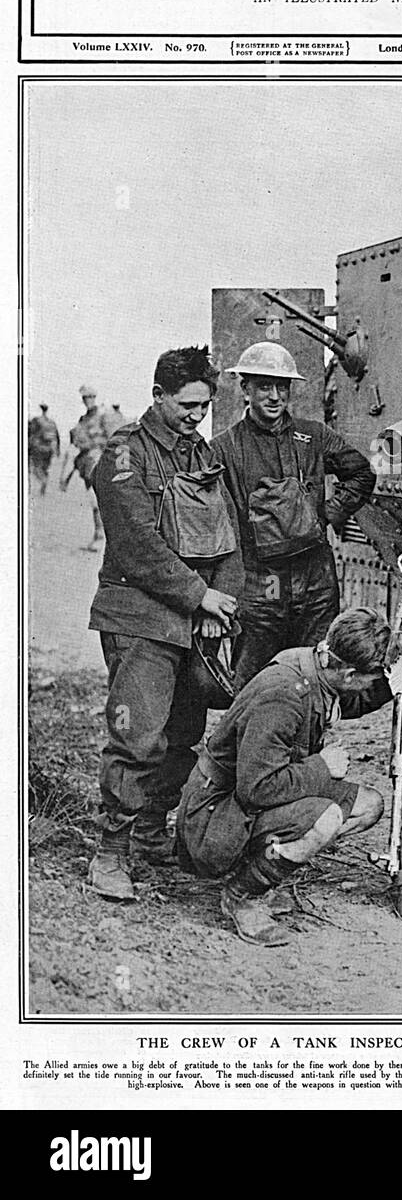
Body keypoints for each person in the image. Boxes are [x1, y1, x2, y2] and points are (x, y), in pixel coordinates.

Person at [86, 345, 244, 902]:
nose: (196, 416)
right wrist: (200, 596)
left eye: (203, 406)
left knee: (184, 733)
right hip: (139, 617)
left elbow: (225, 535)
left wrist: (222, 604)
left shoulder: (200, 453)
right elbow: (135, 546)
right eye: (186, 406)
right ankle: (110, 852)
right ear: (158, 396)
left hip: (192, 620)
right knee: (139, 737)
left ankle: (150, 831)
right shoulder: (123, 452)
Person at [176, 607, 390, 946]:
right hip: (214, 818)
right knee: (327, 818)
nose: (372, 686)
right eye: (373, 679)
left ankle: (264, 867)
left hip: (243, 801)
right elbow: (256, 789)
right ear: (349, 675)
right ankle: (242, 894)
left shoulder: (315, 665)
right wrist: (322, 767)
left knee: (368, 805)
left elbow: (352, 702)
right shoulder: (284, 695)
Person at [212, 341, 376, 692]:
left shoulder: (313, 436)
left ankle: (309, 748)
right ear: (245, 389)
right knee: (253, 684)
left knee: (319, 677)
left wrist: (326, 515)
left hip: (316, 584)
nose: (274, 396)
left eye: (281, 387)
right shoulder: (224, 447)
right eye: (264, 386)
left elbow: (362, 473)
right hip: (260, 589)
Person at [60, 384, 109, 549]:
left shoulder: (103, 416)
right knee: (94, 502)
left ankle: (102, 538)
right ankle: (99, 536)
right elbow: (75, 445)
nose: (88, 400)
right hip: (87, 466)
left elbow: (115, 440)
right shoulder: (83, 420)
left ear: (94, 398)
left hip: (101, 464)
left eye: (90, 397)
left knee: (101, 503)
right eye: (85, 398)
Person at [28, 402, 60, 495]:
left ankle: (43, 481)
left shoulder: (36, 420)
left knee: (36, 468)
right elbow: (57, 436)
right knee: (45, 469)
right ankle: (44, 485)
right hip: (49, 449)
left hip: (38, 448)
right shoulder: (51, 422)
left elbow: (31, 434)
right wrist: (58, 450)